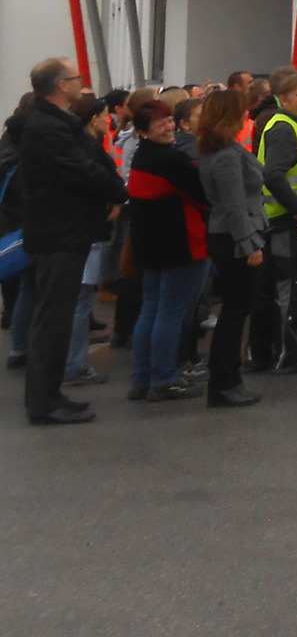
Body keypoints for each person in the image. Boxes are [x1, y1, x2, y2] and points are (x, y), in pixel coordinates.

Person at [18, 59, 125, 425]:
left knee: (57, 318)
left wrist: (112, 187)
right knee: (53, 318)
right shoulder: (47, 127)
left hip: (66, 229)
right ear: (62, 85)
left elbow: (95, 159)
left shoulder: (59, 123)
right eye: (77, 77)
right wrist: (116, 191)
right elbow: (82, 169)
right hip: (58, 232)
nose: (82, 82)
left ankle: (50, 394)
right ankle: (44, 402)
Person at [124, 101, 211, 401]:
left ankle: (142, 378)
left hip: (149, 245)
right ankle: (163, 378)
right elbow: (205, 196)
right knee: (171, 313)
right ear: (142, 131)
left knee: (151, 310)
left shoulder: (141, 157)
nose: (169, 127)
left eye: (170, 121)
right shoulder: (172, 160)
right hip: (181, 244)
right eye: (160, 124)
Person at [192, 88, 265, 407]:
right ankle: (224, 382)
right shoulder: (224, 155)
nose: (247, 116)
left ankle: (229, 379)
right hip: (235, 237)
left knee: (237, 310)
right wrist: (249, 245)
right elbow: (233, 206)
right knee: (235, 312)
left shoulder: (221, 148)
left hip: (232, 234)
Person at [248, 72, 297, 376]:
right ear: (283, 98)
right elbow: (273, 173)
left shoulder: (292, 125)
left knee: (270, 290)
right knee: (285, 290)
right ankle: (284, 355)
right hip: (284, 223)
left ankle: (263, 353)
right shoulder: (284, 128)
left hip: (282, 221)